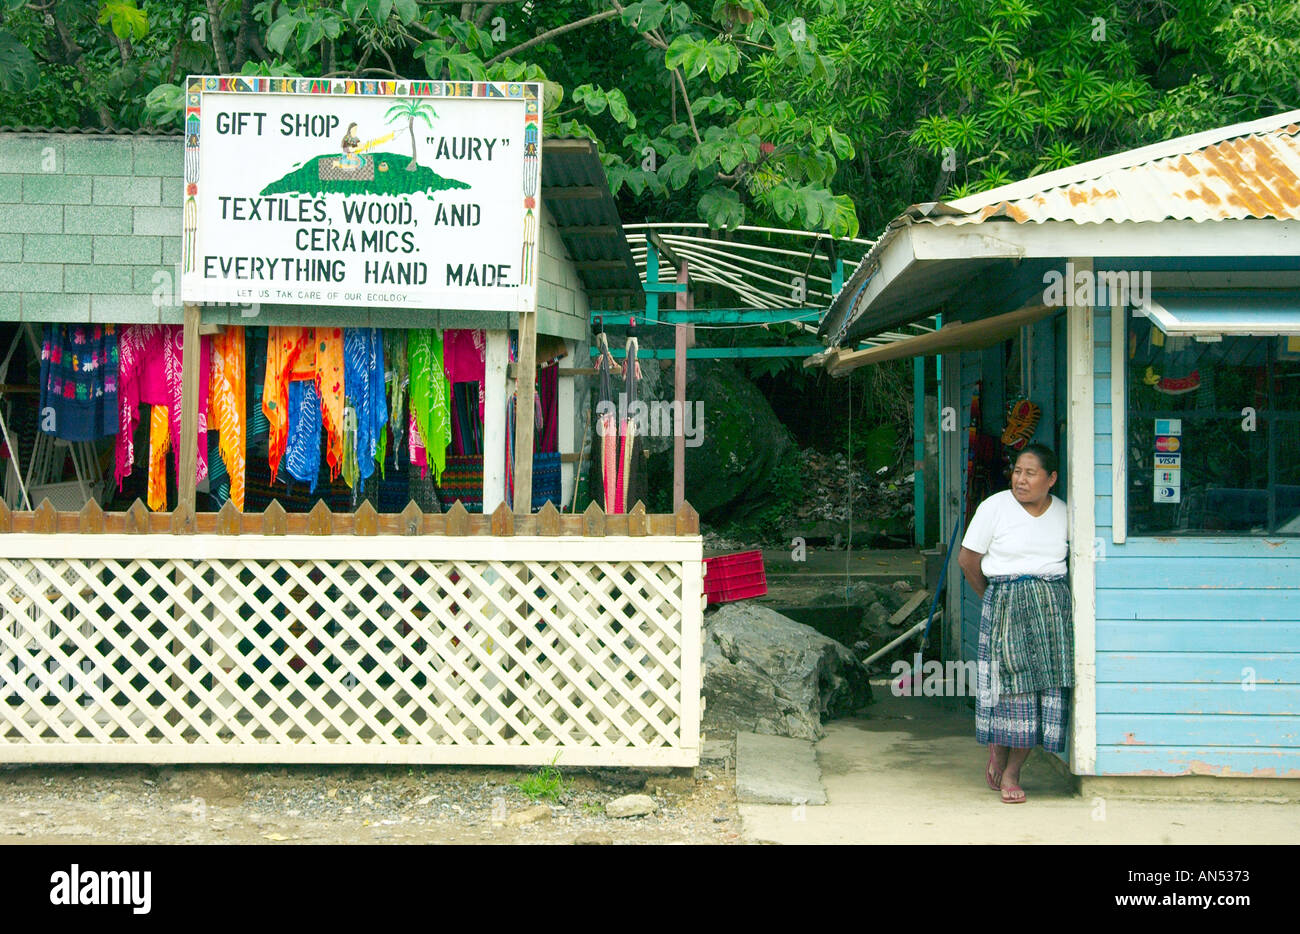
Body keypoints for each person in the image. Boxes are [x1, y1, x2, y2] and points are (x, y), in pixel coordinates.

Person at [956, 443, 1072, 804]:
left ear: (1051, 479)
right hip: (1005, 602)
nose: (1020, 480)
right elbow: (967, 560)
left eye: (1030, 473)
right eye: (1017, 471)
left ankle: (1013, 771)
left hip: (1051, 609)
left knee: (1046, 690)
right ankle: (998, 749)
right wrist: (992, 597)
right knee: (1010, 690)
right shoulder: (994, 507)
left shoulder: (1066, 514)